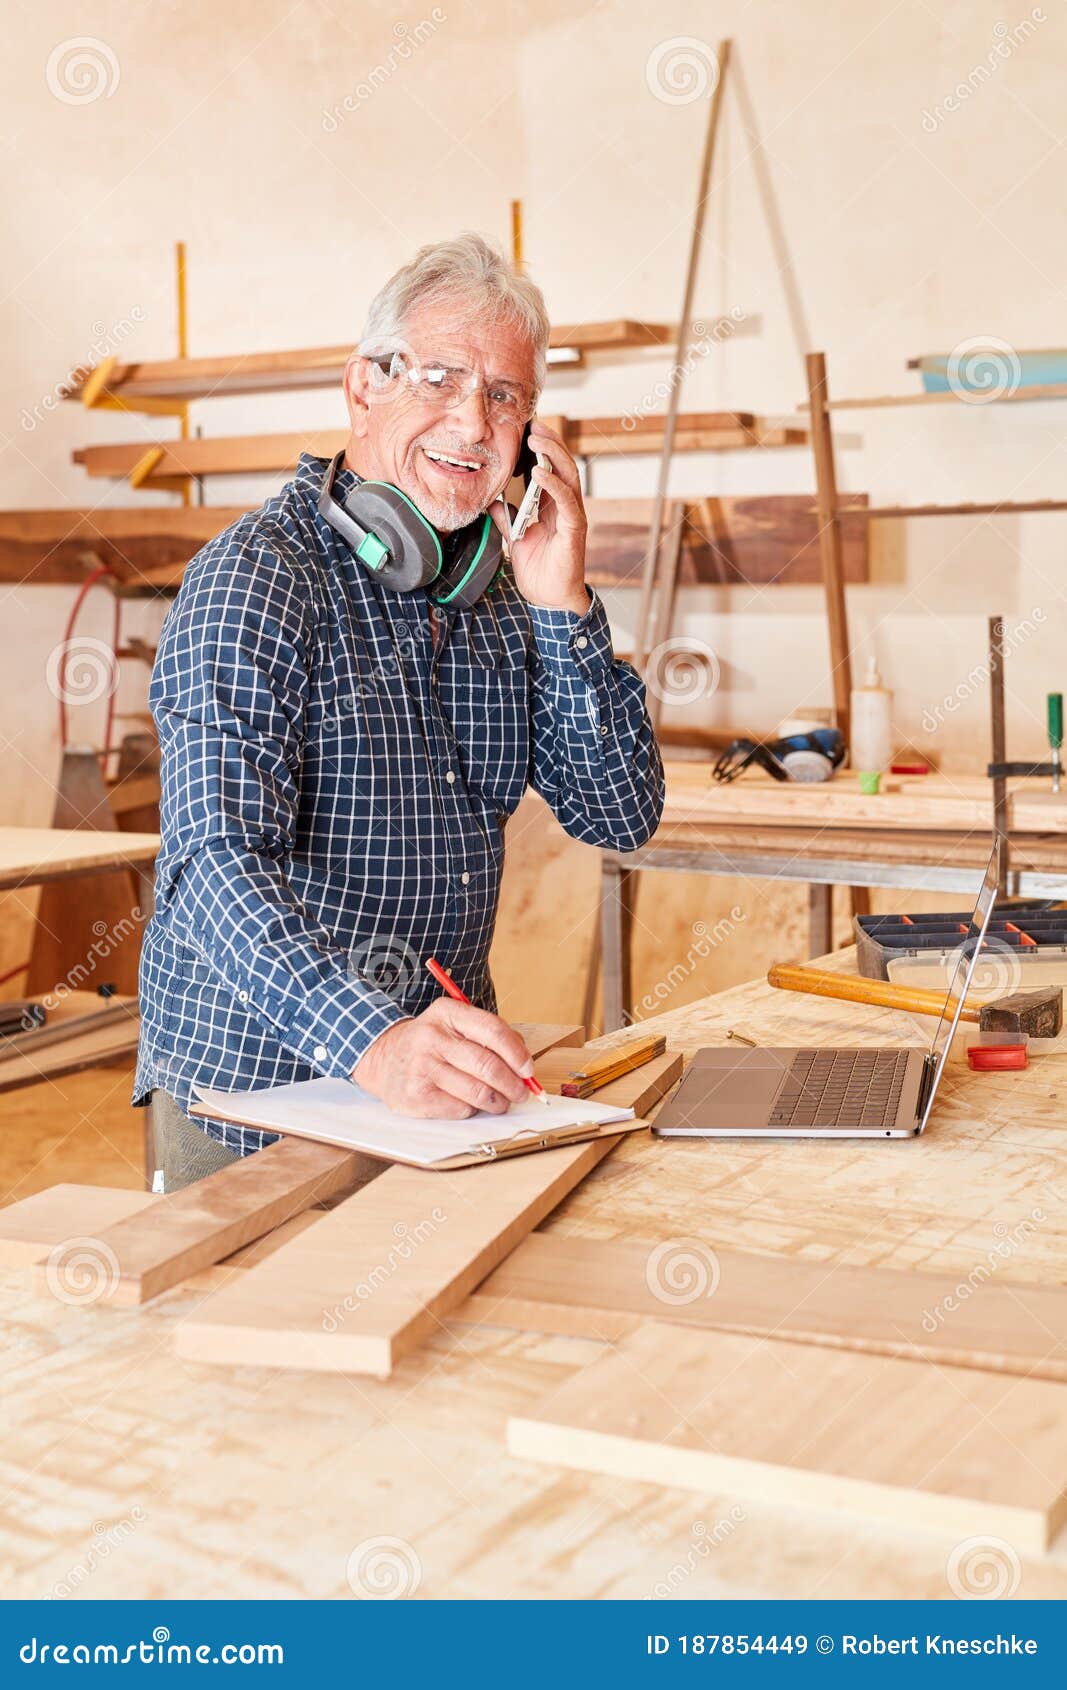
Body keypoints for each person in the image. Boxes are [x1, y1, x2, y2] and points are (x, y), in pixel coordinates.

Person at [134, 232, 664, 1189]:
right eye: (438, 379)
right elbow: (213, 863)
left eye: (505, 396)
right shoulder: (255, 579)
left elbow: (618, 813)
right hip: (257, 1093)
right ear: (363, 387)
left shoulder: (506, 590)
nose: (472, 423)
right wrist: (370, 1040)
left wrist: (564, 607)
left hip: (435, 1097)